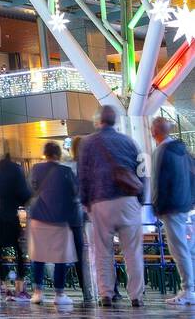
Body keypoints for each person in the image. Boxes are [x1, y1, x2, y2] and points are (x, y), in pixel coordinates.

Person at [77, 103, 145, 307]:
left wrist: (85, 202)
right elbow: (142, 171)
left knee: (102, 250)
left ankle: (106, 293)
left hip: (101, 202)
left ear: (98, 121)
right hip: (128, 200)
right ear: (114, 121)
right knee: (133, 251)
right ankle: (136, 296)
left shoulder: (88, 144)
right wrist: (140, 200)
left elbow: (83, 176)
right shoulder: (130, 142)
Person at [27, 142, 79, 308]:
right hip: (60, 219)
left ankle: (37, 292)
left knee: (38, 256)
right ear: (58, 154)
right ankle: (59, 293)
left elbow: (29, 191)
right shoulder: (66, 171)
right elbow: (75, 192)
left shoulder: (35, 169)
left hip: (38, 218)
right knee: (60, 258)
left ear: (45, 154)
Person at [149, 116, 194, 306]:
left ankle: (188, 289)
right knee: (187, 249)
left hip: (171, 206)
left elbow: (158, 181)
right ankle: (190, 288)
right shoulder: (182, 150)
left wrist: (156, 206)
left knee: (178, 249)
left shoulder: (161, 152)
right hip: (184, 204)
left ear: (154, 132)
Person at [0, 151, 32, 301]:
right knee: (18, 250)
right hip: (9, 215)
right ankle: (20, 287)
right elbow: (24, 194)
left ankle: (3, 286)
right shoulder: (16, 170)